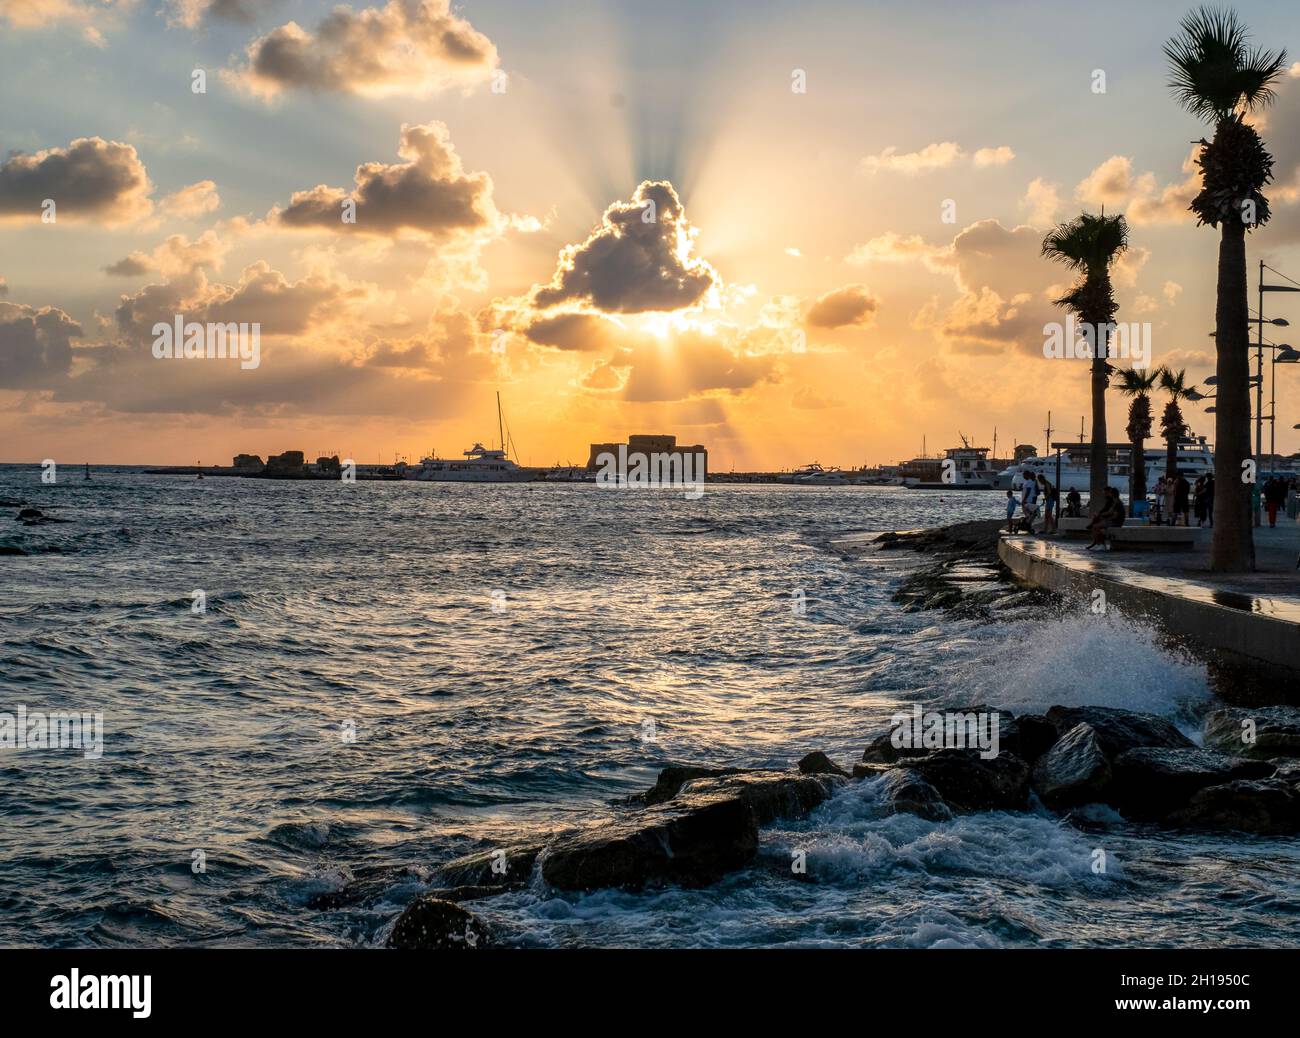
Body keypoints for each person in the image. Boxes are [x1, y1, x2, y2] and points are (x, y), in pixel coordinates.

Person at [1020, 470, 1040, 534]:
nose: (1023, 476)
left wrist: (1024, 499)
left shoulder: (1029, 482)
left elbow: (1028, 491)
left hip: (1028, 500)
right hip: (1026, 499)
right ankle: (1028, 526)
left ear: (1027, 475)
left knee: (1028, 513)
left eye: (1024, 475)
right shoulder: (1026, 481)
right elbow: (1025, 490)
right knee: (1028, 513)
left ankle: (1028, 525)